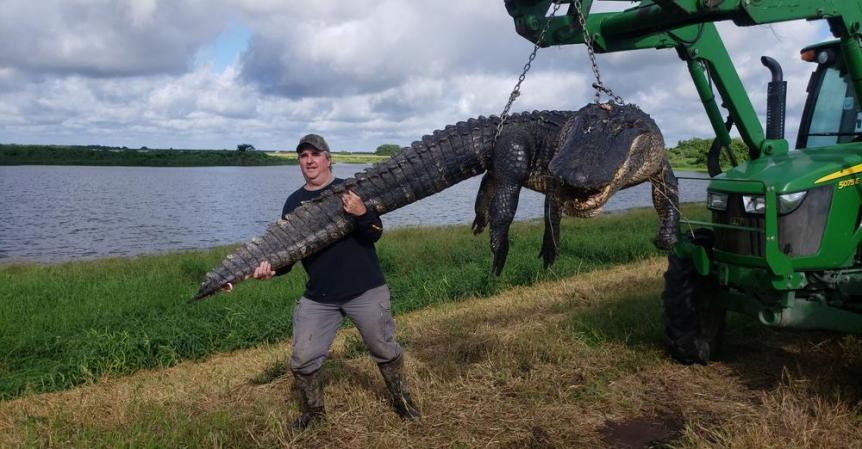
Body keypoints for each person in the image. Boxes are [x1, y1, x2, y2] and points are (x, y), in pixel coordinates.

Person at [251, 133, 420, 429]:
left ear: (328, 159)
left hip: (364, 289)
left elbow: (374, 233)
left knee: (383, 348)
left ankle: (402, 401)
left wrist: (362, 212)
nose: (309, 160)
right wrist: (271, 270)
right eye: (303, 156)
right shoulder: (293, 203)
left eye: (315, 154)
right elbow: (288, 257)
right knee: (302, 359)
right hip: (320, 296)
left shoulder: (350, 191)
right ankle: (313, 414)